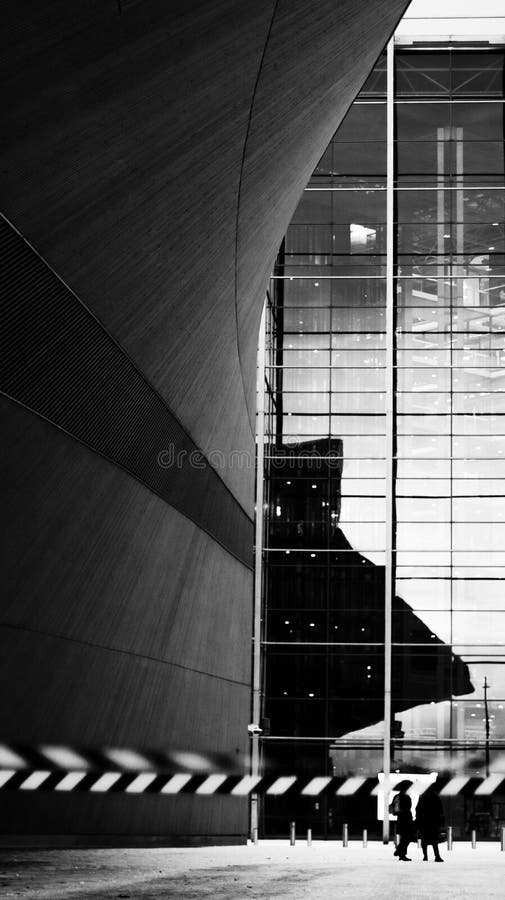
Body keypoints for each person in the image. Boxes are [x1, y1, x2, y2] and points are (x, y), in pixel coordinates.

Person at [415, 782, 445, 862]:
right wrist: (440, 822)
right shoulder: (435, 797)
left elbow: (418, 809)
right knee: (434, 839)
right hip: (433, 821)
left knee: (424, 839)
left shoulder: (422, 796)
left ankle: (425, 856)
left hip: (424, 821)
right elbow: (440, 810)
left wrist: (418, 820)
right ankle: (437, 856)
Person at [392, 783, 414, 861]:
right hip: (406, 819)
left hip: (400, 819)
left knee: (404, 837)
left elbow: (393, 806)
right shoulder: (406, 796)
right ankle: (400, 852)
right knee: (407, 837)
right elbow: (408, 807)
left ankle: (401, 854)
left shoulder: (397, 796)